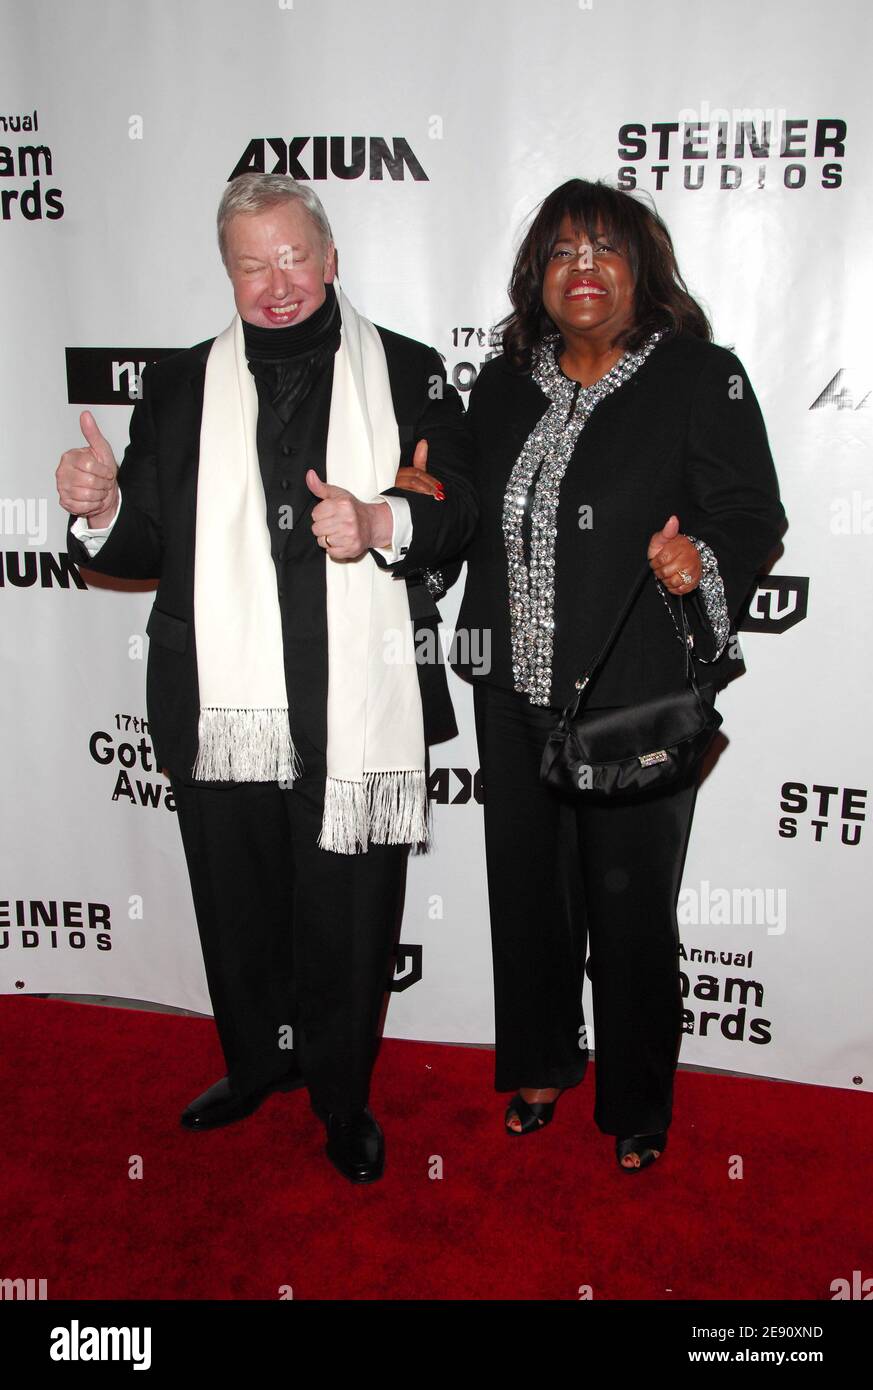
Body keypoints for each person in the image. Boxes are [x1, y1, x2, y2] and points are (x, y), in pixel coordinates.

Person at [56, 172, 476, 1184]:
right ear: (229, 274)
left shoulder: (412, 372)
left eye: (294, 258)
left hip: (356, 695)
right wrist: (102, 506)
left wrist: (381, 522)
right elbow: (144, 542)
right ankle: (254, 1064)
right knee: (236, 897)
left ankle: (340, 1095)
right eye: (254, 264)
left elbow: (455, 513)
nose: (278, 285)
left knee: (349, 910)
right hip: (219, 697)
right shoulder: (183, 383)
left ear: (331, 260)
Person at [452, 177, 785, 1171]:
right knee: (527, 891)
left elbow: (751, 513)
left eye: (606, 251)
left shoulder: (698, 376)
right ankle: (543, 1060)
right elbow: (468, 507)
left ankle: (637, 1101)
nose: (583, 270)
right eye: (562, 253)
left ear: (642, 271)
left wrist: (703, 563)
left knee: (632, 905)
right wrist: (422, 501)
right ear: (535, 278)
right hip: (510, 686)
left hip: (634, 693)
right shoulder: (502, 384)